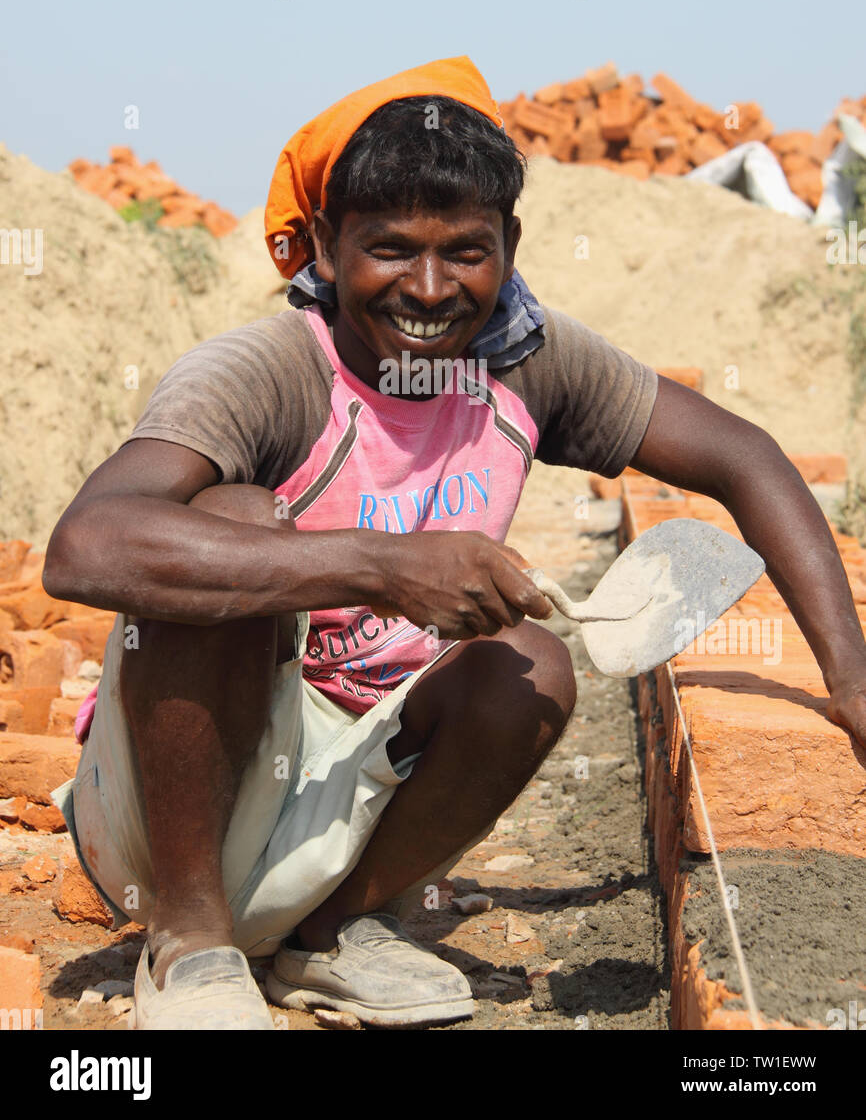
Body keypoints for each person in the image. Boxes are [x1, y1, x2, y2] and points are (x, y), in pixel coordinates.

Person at [44, 56, 866, 1031]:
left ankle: (330, 935)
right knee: (227, 524)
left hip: (352, 802)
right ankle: (190, 948)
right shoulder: (268, 372)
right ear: (323, 242)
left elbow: (744, 458)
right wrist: (380, 564)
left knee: (532, 663)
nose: (428, 290)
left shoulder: (527, 361)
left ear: (508, 245)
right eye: (389, 250)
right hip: (176, 806)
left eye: (465, 253)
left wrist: (848, 682)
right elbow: (87, 545)